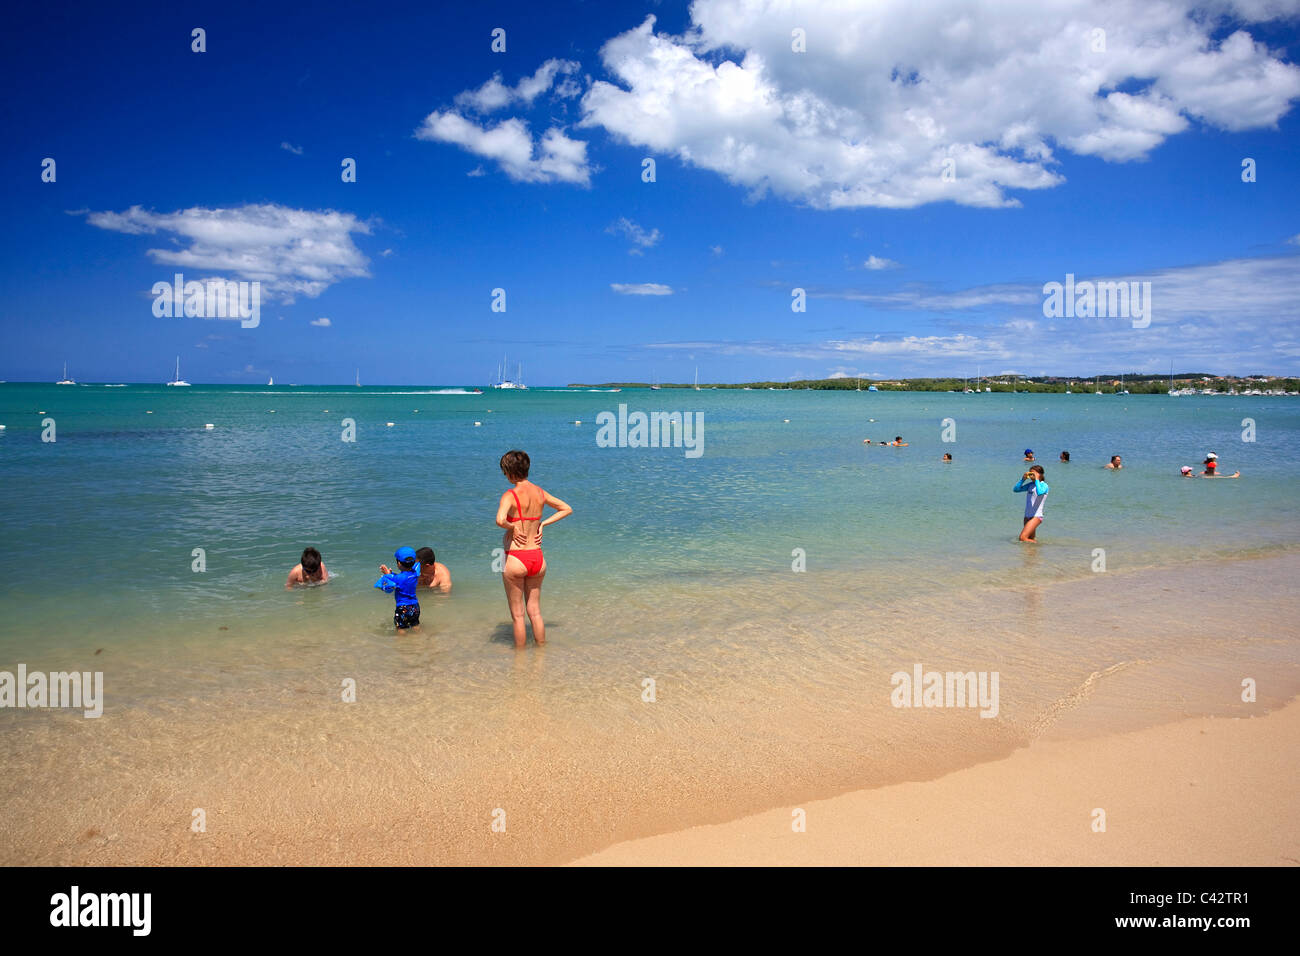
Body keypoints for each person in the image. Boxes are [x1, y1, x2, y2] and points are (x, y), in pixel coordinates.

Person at [495, 449, 573, 649]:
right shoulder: (540, 492)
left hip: (515, 557)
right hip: (537, 558)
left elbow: (500, 520)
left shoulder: (510, 495)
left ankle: (519, 659)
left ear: (510, 473)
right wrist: (543, 524)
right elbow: (566, 508)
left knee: (518, 615)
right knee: (535, 612)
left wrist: (512, 526)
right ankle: (541, 652)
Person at [375, 547, 421, 632]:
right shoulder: (415, 574)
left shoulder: (397, 578)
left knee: (400, 628)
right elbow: (400, 578)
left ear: (399, 563)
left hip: (403, 607)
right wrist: (390, 574)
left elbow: (390, 580)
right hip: (415, 606)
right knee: (415, 624)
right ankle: (420, 639)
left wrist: (387, 573)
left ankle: (402, 643)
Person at [1014, 464, 1048, 542]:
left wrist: (1036, 479)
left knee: (1022, 538)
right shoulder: (1030, 485)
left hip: (1037, 516)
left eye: (1033, 474)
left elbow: (1039, 492)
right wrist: (1022, 479)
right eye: (1030, 473)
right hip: (1027, 516)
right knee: (1030, 539)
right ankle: (1033, 553)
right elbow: (1016, 490)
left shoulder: (1044, 485)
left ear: (1040, 474)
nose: (1031, 475)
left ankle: (1040, 546)